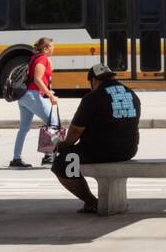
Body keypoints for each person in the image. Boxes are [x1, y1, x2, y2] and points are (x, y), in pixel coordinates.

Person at [51, 63, 141, 214]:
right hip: (128, 150)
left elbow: (75, 130)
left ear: (93, 81)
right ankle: (92, 201)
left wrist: (64, 145)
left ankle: (91, 202)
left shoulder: (93, 97)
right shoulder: (131, 94)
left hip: (100, 151)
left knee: (62, 163)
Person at [10, 37, 57, 168]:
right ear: (46, 48)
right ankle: (48, 156)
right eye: (52, 46)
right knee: (53, 121)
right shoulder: (42, 59)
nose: (54, 49)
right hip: (32, 95)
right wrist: (49, 95)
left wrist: (48, 92)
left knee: (23, 129)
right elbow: (37, 79)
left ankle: (16, 159)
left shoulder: (34, 57)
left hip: (24, 97)